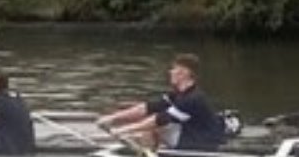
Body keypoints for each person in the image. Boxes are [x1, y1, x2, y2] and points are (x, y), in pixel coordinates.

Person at [95, 53, 225, 151]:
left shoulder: (193, 99)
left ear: (184, 73)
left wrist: (124, 130)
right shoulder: (177, 94)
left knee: (153, 127)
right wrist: (112, 118)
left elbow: (160, 120)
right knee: (148, 124)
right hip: (188, 136)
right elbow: (147, 108)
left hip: (201, 144)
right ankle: (146, 153)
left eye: (174, 69)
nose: (170, 72)